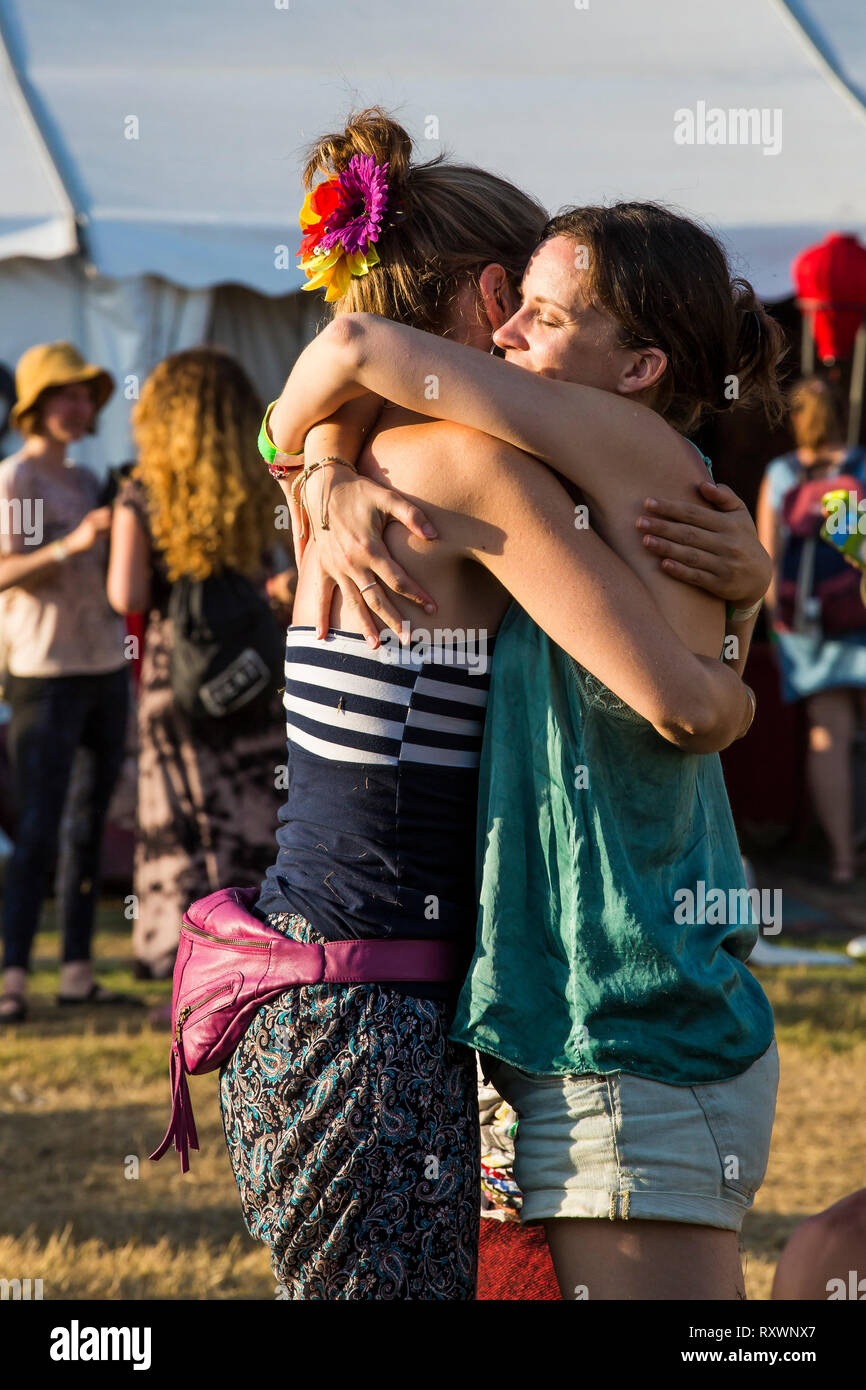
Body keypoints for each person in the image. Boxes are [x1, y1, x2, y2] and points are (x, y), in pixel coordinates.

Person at [219, 109, 774, 1301]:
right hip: (377, 1019)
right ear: (485, 291)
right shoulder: (468, 466)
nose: (521, 330)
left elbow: (329, 382)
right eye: (518, 299)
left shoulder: (351, 456)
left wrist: (312, 455)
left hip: (323, 1004)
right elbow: (683, 706)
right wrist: (731, 676)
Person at [106, 348, 293, 979]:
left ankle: (188, 965)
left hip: (176, 678)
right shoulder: (259, 479)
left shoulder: (142, 491)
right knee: (256, 812)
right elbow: (280, 573)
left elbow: (127, 596)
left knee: (182, 821)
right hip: (254, 672)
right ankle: (264, 948)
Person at [0, 342, 131, 1023]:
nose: (82, 406)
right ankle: (13, 977)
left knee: (88, 826)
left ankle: (76, 972)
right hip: (42, 673)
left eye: (87, 395)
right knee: (39, 828)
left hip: (105, 666)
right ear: (38, 406)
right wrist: (68, 546)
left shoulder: (89, 479)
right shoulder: (15, 478)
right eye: (69, 395)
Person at [757, 377, 866, 888]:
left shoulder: (782, 473)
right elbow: (858, 548)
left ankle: (843, 859)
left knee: (829, 736)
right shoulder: (857, 466)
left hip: (805, 624)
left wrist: (779, 631)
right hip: (856, 615)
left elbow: (765, 562)